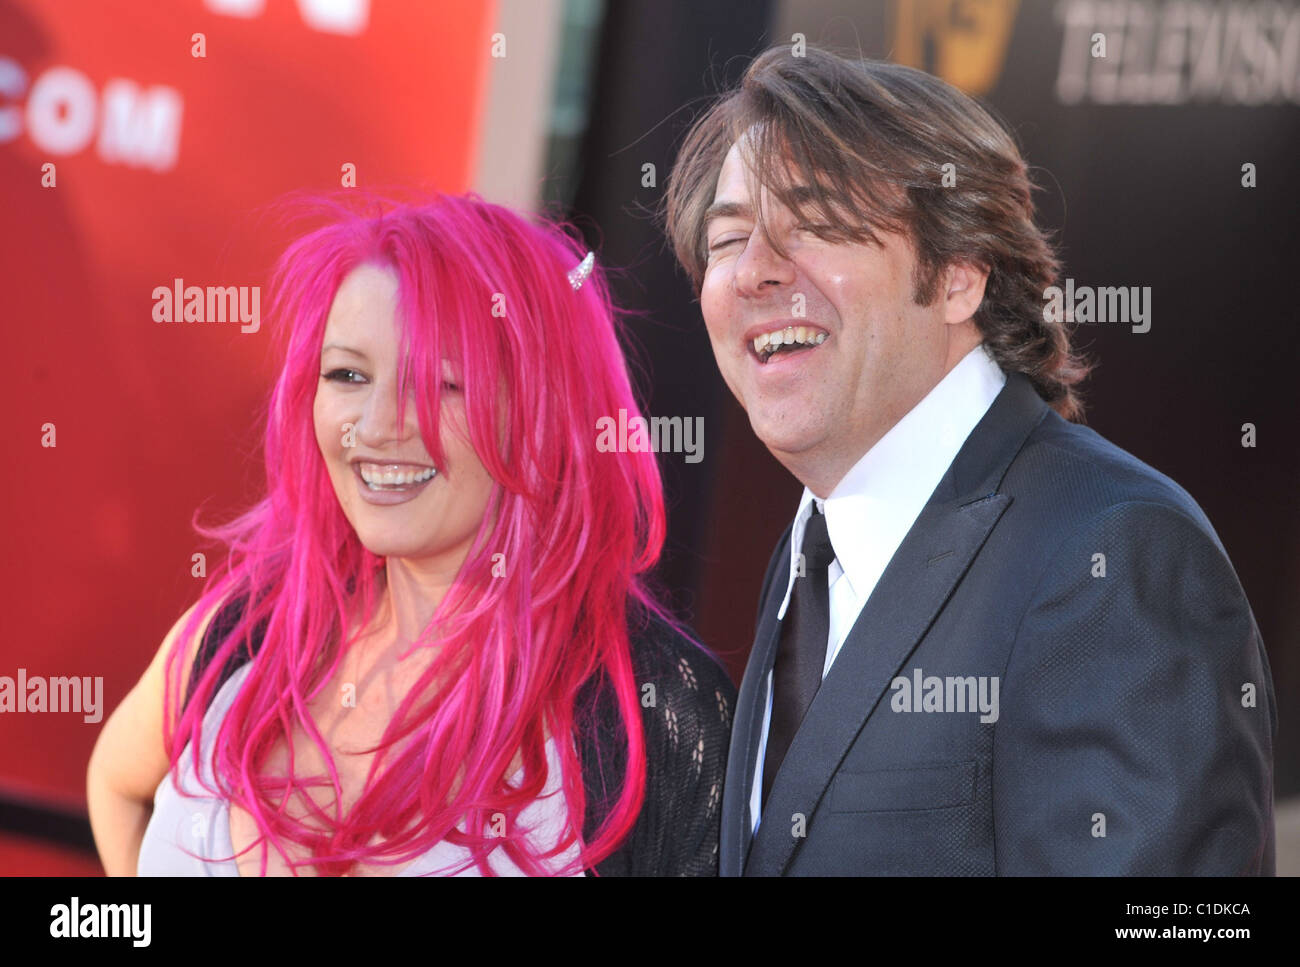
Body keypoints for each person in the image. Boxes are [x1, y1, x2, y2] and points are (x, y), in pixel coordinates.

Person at [664, 45, 1277, 875]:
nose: (757, 273)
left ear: (959, 273)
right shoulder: (815, 543)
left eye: (814, 224)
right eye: (729, 237)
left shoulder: (1113, 553)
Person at [87, 192, 735, 876]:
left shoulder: (645, 707)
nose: (375, 425)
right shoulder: (249, 623)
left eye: (443, 382)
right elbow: (116, 783)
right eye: (347, 375)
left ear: (546, 409)